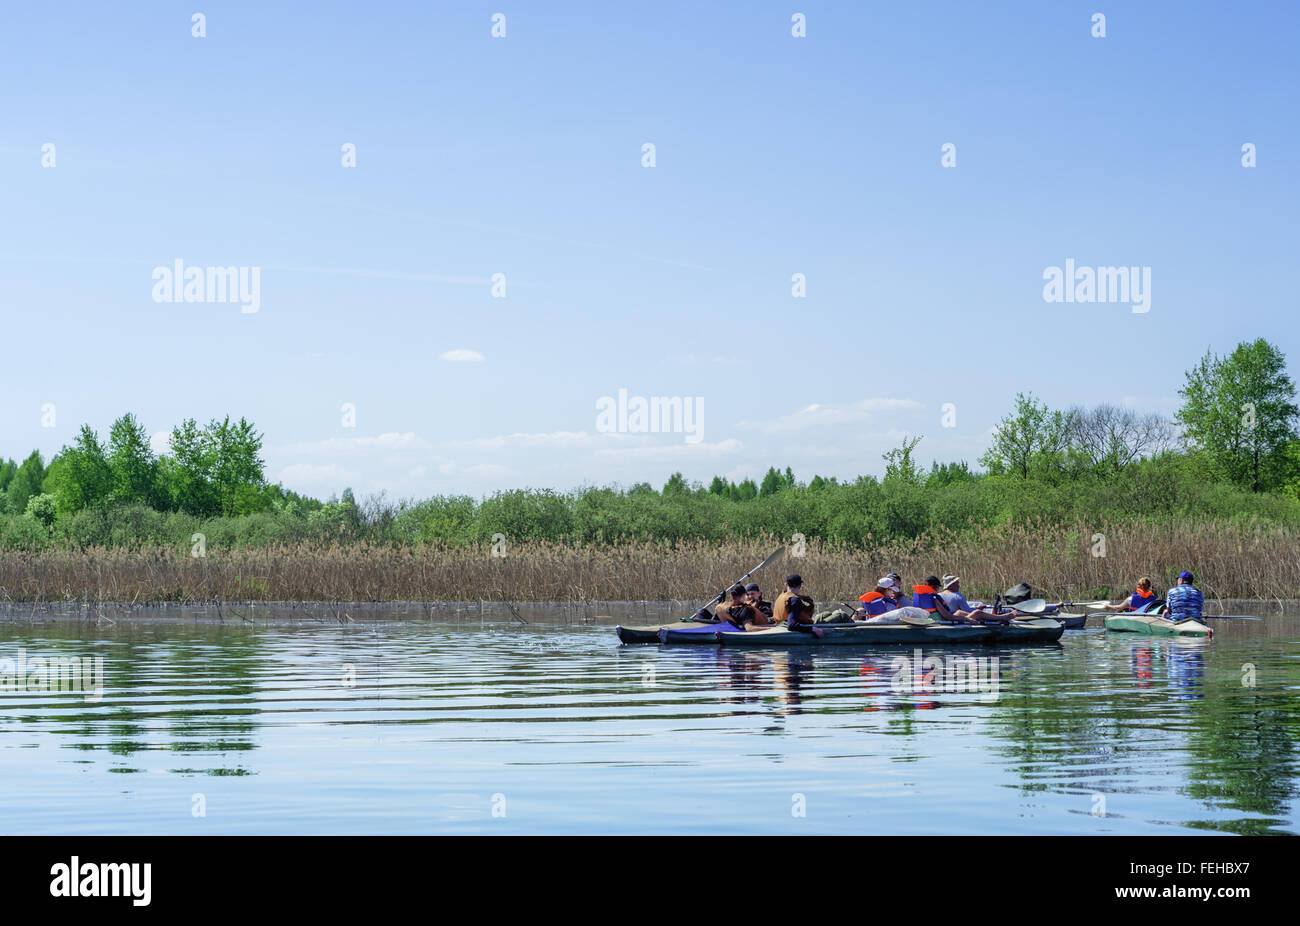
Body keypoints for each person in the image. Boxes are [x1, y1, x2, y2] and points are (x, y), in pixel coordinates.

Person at [774, 574, 824, 638]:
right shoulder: (794, 600)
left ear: (786, 585)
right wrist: (813, 629)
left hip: (779, 626)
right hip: (787, 628)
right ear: (800, 586)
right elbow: (792, 625)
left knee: (825, 615)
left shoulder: (781, 596)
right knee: (837, 615)